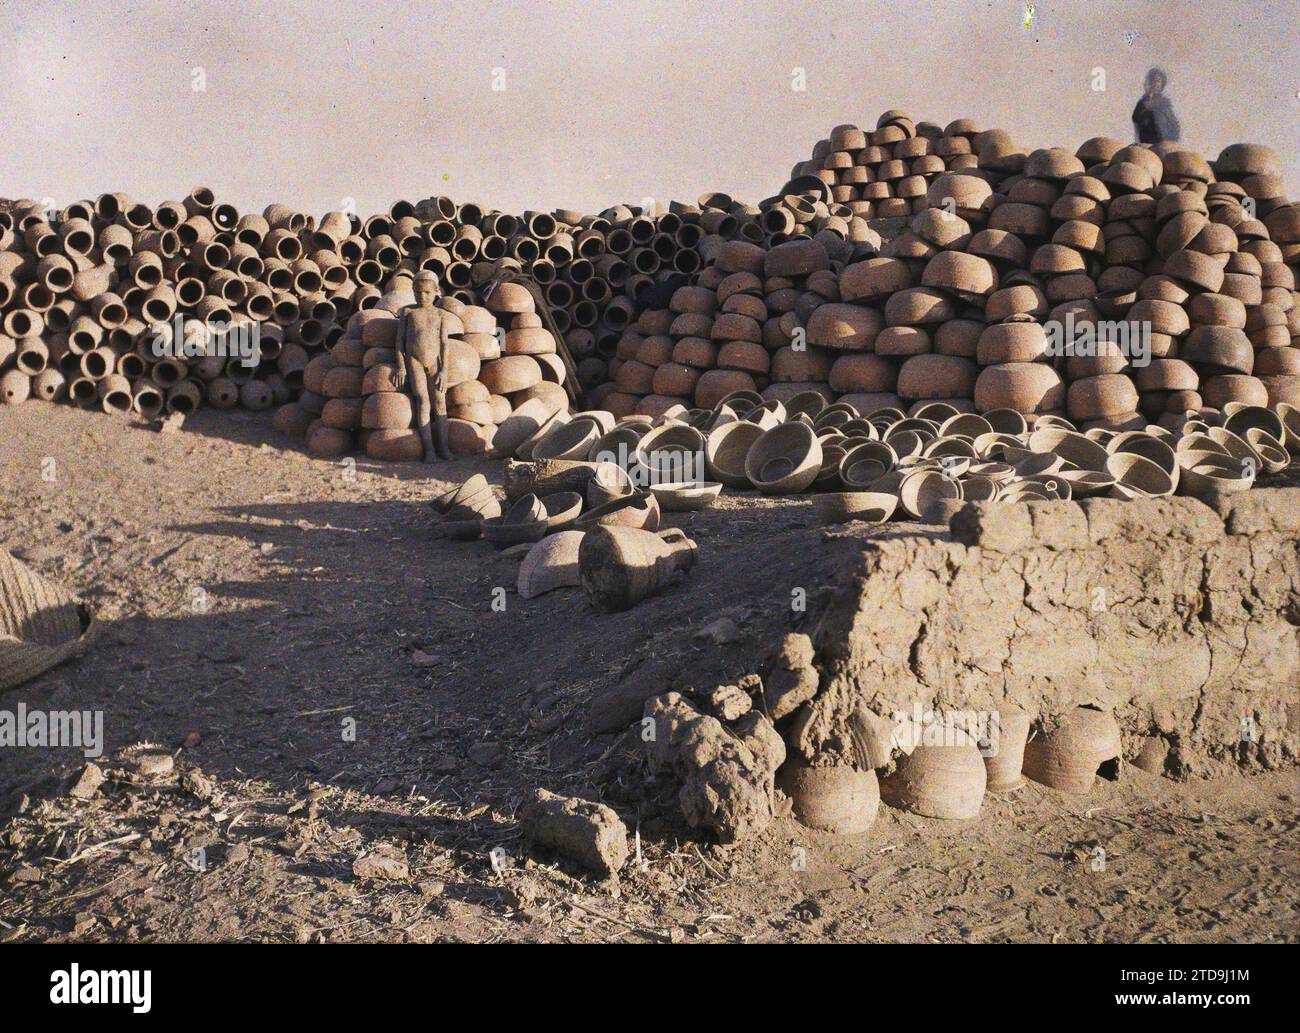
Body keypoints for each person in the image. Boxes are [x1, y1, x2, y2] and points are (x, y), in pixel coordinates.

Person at [392, 271, 453, 461]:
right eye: (418, 292)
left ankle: (444, 449)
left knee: (440, 402)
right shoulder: (408, 312)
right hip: (414, 360)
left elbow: (444, 344)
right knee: (423, 402)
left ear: (437, 292)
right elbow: (399, 342)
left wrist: (444, 370)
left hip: (434, 362)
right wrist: (401, 366)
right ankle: (429, 451)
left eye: (427, 292)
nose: (422, 296)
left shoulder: (441, 314)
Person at [1132, 67, 1180, 144]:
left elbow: (1174, 124)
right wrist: (1147, 100)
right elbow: (1136, 118)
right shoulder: (1142, 102)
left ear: (1162, 85)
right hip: (1146, 142)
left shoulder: (1164, 103)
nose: (1155, 83)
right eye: (1152, 80)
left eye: (1158, 81)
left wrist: (1171, 142)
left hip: (1163, 143)